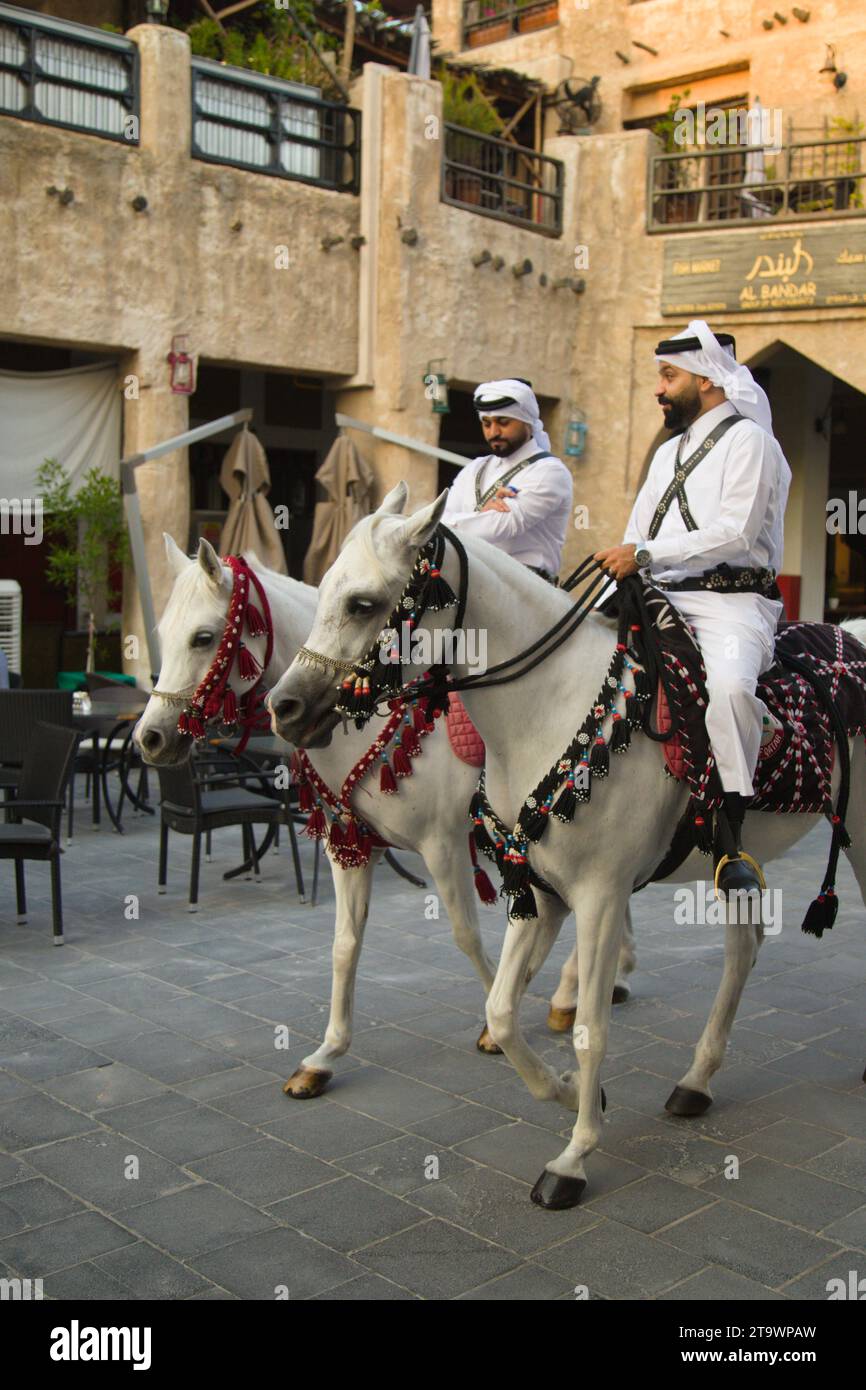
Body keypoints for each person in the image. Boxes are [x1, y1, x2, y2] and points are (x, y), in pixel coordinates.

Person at [594, 320, 792, 897]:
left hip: (733, 603)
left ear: (707, 380)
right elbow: (636, 533)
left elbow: (735, 531)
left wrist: (645, 553)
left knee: (730, 689)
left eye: (668, 375)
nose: (658, 388)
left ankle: (732, 841)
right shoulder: (666, 454)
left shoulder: (750, 442)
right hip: (662, 596)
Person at [442, 378, 573, 584]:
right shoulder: (475, 468)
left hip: (528, 590)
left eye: (504, 422)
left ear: (527, 421)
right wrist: (479, 515)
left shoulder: (549, 471)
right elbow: (442, 514)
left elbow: (503, 525)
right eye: (487, 424)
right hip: (474, 584)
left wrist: (449, 523)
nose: (493, 432)